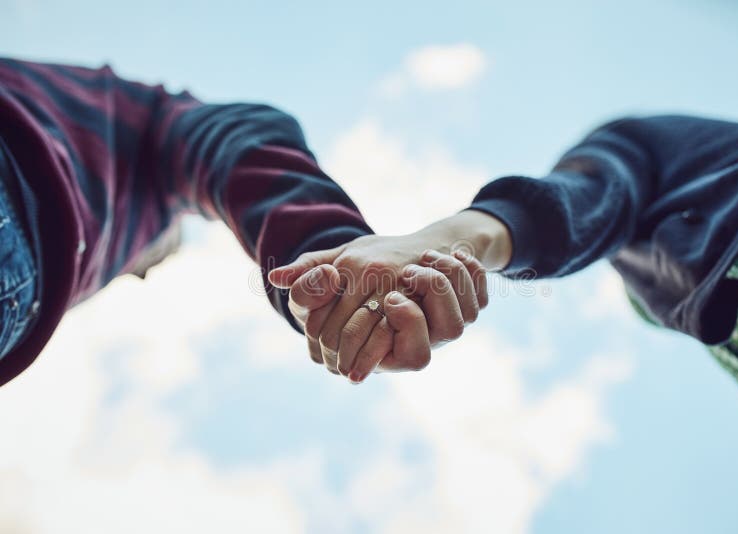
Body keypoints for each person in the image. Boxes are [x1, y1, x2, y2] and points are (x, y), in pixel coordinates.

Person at [272, 116, 738, 453]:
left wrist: (447, 245)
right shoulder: (673, 295)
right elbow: (594, 195)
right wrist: (447, 248)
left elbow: (602, 185)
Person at [0, 56, 486, 386]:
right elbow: (239, 141)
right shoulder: (137, 118)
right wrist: (338, 261)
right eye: (147, 264)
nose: (136, 268)